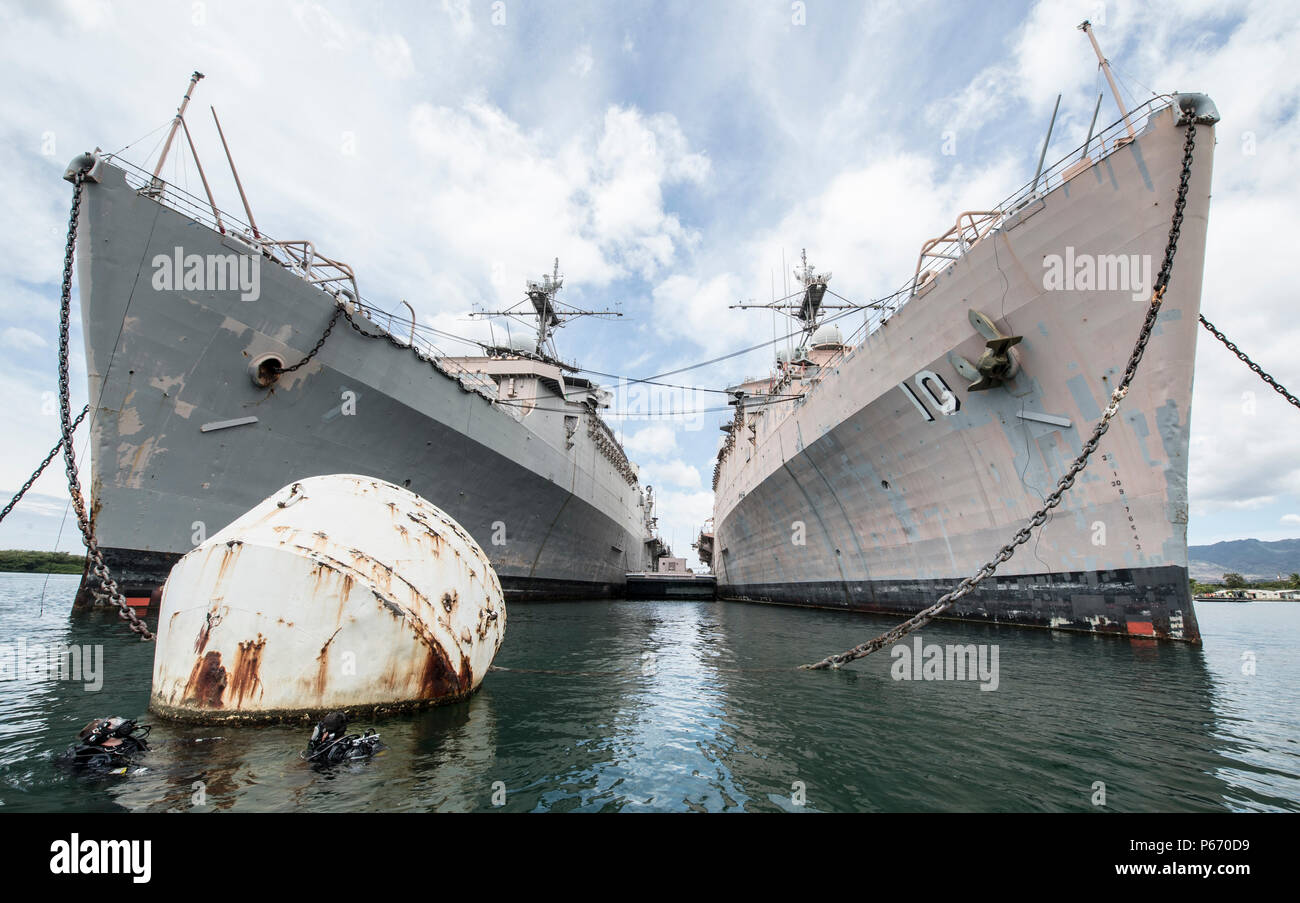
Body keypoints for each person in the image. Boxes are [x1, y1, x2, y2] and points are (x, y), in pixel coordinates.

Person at [61, 716, 150, 772]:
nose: (122, 723)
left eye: (119, 720)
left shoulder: (132, 741)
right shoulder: (94, 755)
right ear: (104, 733)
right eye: (115, 723)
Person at [303, 711, 382, 766]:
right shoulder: (328, 747)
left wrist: (311, 746)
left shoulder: (332, 752)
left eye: (322, 732)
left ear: (328, 734)